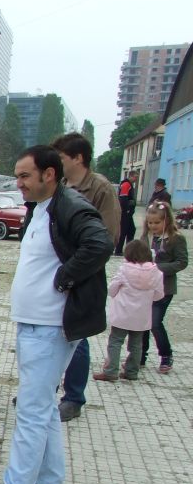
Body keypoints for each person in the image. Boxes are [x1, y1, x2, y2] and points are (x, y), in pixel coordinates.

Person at [0, 146, 112, 484]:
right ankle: (50, 479)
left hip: (50, 328)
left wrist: (65, 276)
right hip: (34, 324)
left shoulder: (69, 206)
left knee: (31, 409)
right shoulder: (42, 208)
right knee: (42, 407)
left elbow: (100, 243)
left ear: (48, 175)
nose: (18, 183)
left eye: (24, 176)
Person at [51, 132, 122, 422]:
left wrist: (73, 270)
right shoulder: (61, 186)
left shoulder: (101, 188)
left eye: (62, 158)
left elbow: (107, 238)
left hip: (83, 276)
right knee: (52, 335)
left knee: (76, 336)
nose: (56, 163)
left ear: (78, 158)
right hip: (57, 275)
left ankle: (74, 397)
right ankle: (47, 389)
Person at [92, 240, 163, 382]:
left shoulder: (124, 269)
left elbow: (112, 289)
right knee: (136, 344)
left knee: (115, 341)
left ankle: (111, 371)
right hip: (142, 316)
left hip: (122, 313)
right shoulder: (157, 272)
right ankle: (132, 371)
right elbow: (159, 294)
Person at [139, 201, 188, 373]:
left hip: (165, 288)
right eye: (150, 223)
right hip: (146, 287)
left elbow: (182, 262)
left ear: (166, 220)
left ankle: (166, 355)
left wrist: (159, 268)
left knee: (155, 322)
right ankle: (140, 356)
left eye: (157, 223)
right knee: (143, 322)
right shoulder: (145, 237)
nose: (153, 226)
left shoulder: (176, 238)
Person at [115, 170, 139, 255]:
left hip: (127, 213)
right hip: (125, 213)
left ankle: (129, 250)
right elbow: (123, 198)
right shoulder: (126, 184)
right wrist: (127, 209)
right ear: (131, 176)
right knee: (123, 231)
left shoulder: (129, 185)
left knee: (131, 230)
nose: (136, 179)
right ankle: (118, 250)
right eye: (135, 177)